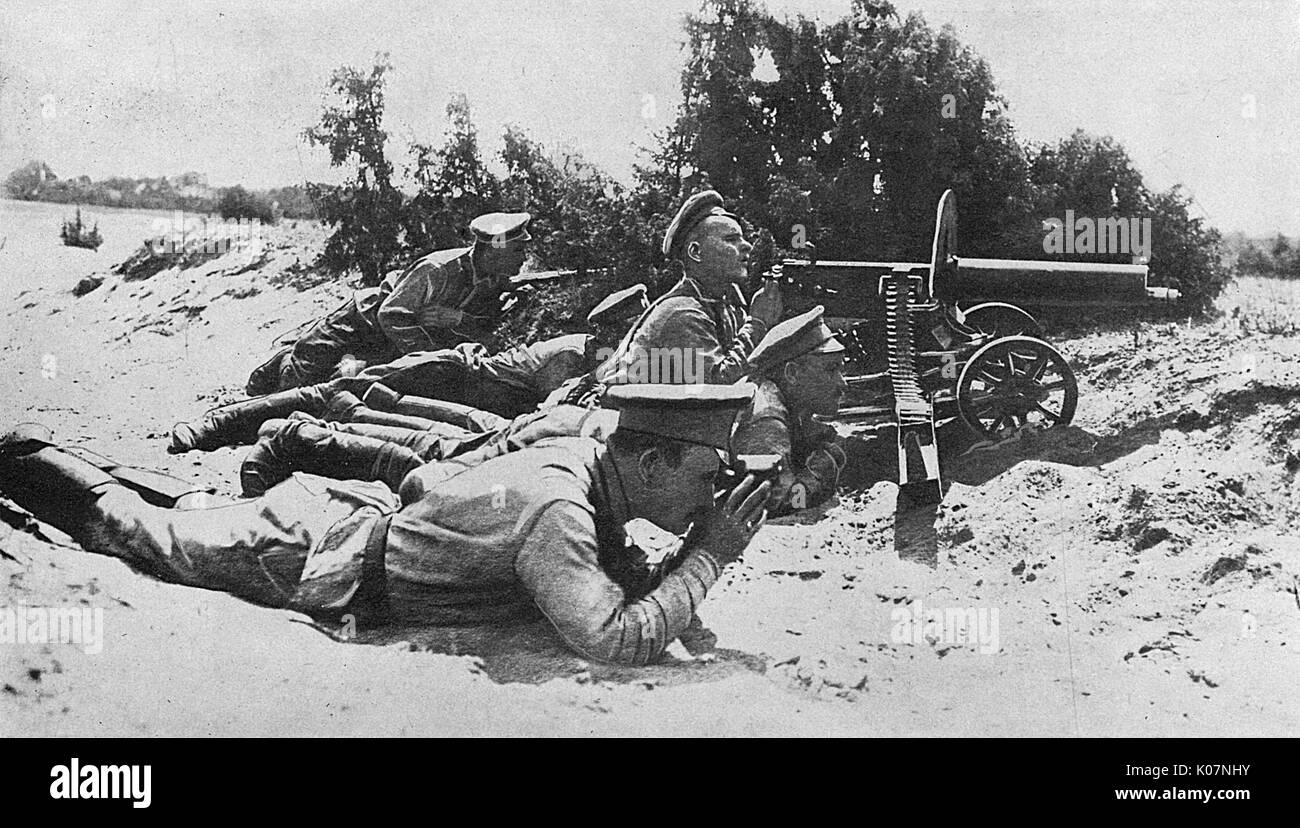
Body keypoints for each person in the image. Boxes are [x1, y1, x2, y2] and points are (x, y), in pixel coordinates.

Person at [0, 385, 769, 666]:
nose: (712, 494)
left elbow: (612, 561)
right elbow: (610, 640)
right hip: (309, 555)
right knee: (131, 530)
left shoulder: (577, 460)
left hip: (328, 527)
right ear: (655, 462)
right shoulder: (559, 506)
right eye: (706, 476)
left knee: (187, 515)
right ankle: (17, 454)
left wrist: (675, 579)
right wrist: (708, 559)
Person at [168, 283, 648, 454]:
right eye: (620, 344)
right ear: (604, 339)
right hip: (452, 374)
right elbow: (548, 405)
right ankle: (218, 424)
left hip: (458, 396)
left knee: (349, 409)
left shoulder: (590, 362)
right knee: (339, 391)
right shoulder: (570, 355)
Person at [245, 212, 531, 395]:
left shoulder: (494, 277)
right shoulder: (438, 269)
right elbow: (391, 314)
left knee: (335, 388)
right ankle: (285, 358)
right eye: (518, 249)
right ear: (495, 249)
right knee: (288, 388)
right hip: (361, 320)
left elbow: (478, 319)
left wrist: (459, 320)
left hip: (394, 339)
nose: (524, 257)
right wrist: (426, 357)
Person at [591, 190, 781, 392]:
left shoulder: (722, 305)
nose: (747, 246)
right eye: (731, 239)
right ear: (695, 252)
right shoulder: (682, 312)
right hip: (628, 416)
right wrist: (758, 323)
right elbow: (717, 387)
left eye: (742, 238)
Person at [733, 305, 850, 515]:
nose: (843, 384)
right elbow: (780, 503)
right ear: (793, 373)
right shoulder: (767, 419)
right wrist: (822, 469)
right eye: (831, 369)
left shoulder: (778, 395)